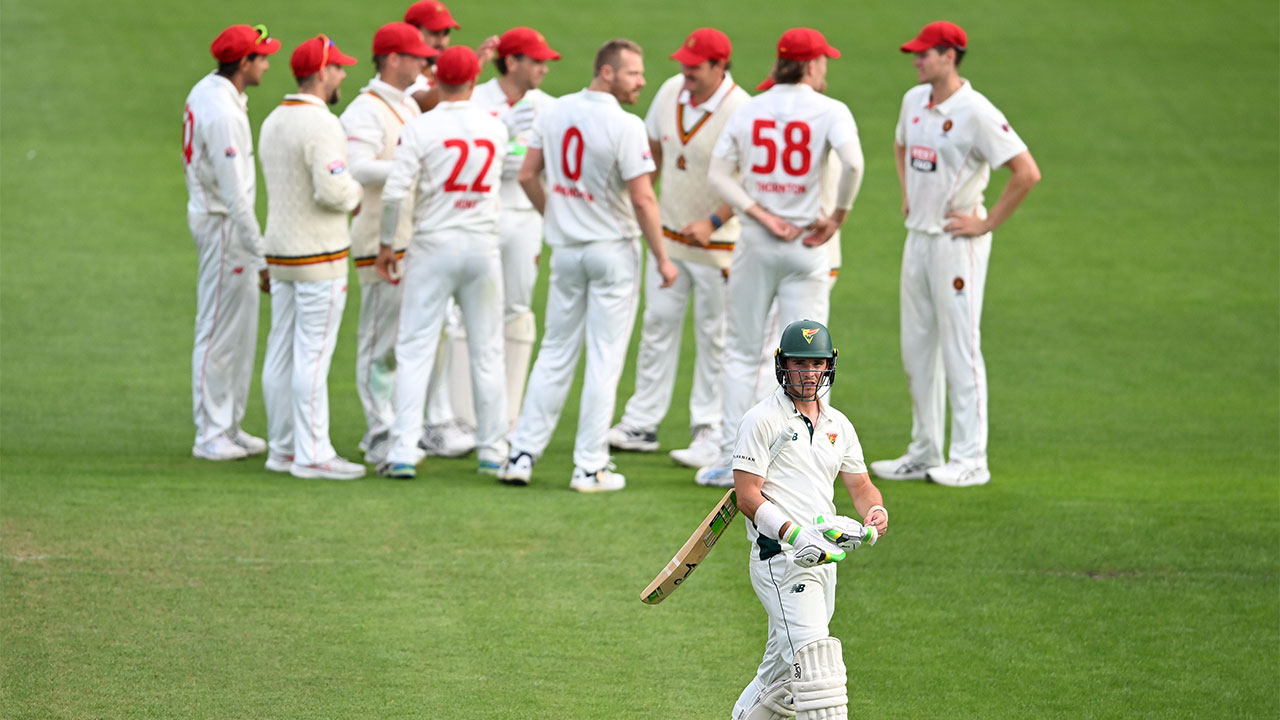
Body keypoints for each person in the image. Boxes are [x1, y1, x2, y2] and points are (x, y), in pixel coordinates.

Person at [498, 39, 678, 492]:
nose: (641, 81)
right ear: (607, 72)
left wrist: (557, 216)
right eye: (633, 73)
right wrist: (662, 256)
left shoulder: (554, 112)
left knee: (555, 352)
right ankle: (589, 465)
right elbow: (642, 197)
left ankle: (521, 455)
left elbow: (526, 175)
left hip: (568, 251)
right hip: (612, 252)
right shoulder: (625, 124)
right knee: (604, 357)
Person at [870, 21, 1041, 488]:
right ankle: (924, 450)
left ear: (950, 55)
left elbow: (1026, 172)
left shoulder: (977, 112)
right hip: (918, 238)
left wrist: (985, 222)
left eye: (925, 54)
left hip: (957, 244)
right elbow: (901, 142)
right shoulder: (913, 100)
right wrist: (907, 194)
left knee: (960, 349)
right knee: (916, 346)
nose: (916, 60)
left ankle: (971, 459)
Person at [695, 28, 866, 488]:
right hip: (808, 247)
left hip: (755, 243)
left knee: (741, 349)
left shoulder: (751, 108)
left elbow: (719, 173)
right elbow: (852, 164)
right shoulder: (831, 111)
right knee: (809, 357)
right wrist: (837, 218)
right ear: (811, 65)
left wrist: (759, 213)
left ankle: (732, 458)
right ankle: (800, 459)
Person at [728, 319, 889, 720]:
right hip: (781, 560)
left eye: (816, 364)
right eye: (800, 363)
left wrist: (875, 511)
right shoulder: (761, 420)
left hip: (824, 560)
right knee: (818, 669)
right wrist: (794, 535)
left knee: (782, 681)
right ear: (783, 366)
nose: (809, 372)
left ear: (829, 366)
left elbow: (861, 485)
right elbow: (746, 496)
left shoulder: (839, 425)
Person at [606, 27, 750, 469]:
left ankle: (708, 428)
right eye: (683, 63)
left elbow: (748, 177)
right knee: (657, 326)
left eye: (694, 66)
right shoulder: (671, 91)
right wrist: (640, 204)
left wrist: (713, 221)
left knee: (715, 335)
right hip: (668, 239)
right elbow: (652, 151)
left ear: (719, 66)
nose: (684, 71)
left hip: (718, 244)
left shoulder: (742, 110)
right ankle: (641, 422)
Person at [374, 46, 512, 480]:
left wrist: (385, 245)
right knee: (487, 349)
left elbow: (396, 194)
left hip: (433, 246)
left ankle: (401, 450)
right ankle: (493, 449)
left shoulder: (421, 127)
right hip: (481, 248)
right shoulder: (496, 127)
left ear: (436, 81)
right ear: (474, 81)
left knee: (415, 348)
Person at [258, 35, 365, 480]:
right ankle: (314, 454)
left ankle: (283, 448)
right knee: (313, 358)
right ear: (321, 73)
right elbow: (333, 189)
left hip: (281, 253)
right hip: (319, 258)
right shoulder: (323, 125)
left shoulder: (272, 119)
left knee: (281, 351)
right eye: (337, 68)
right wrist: (358, 193)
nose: (342, 74)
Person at [454, 26, 560, 431]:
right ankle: (464, 418)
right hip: (480, 215)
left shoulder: (548, 107)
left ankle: (508, 418)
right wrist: (501, 132)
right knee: (468, 313)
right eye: (536, 61)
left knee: (516, 310)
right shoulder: (474, 100)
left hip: (525, 215)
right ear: (512, 61)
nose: (543, 69)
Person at [340, 22, 437, 466]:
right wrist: (409, 168)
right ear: (393, 59)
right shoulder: (365, 110)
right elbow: (355, 168)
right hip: (376, 240)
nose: (425, 61)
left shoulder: (408, 108)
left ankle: (395, 425)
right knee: (379, 342)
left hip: (407, 237)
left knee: (401, 342)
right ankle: (379, 429)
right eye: (416, 56)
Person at [183, 24, 280, 461]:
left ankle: (230, 426)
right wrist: (261, 255)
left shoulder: (211, 91)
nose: (267, 63)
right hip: (224, 227)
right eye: (261, 57)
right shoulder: (222, 113)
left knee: (240, 332)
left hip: (225, 223)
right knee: (220, 330)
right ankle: (210, 434)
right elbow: (235, 193)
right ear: (243, 63)